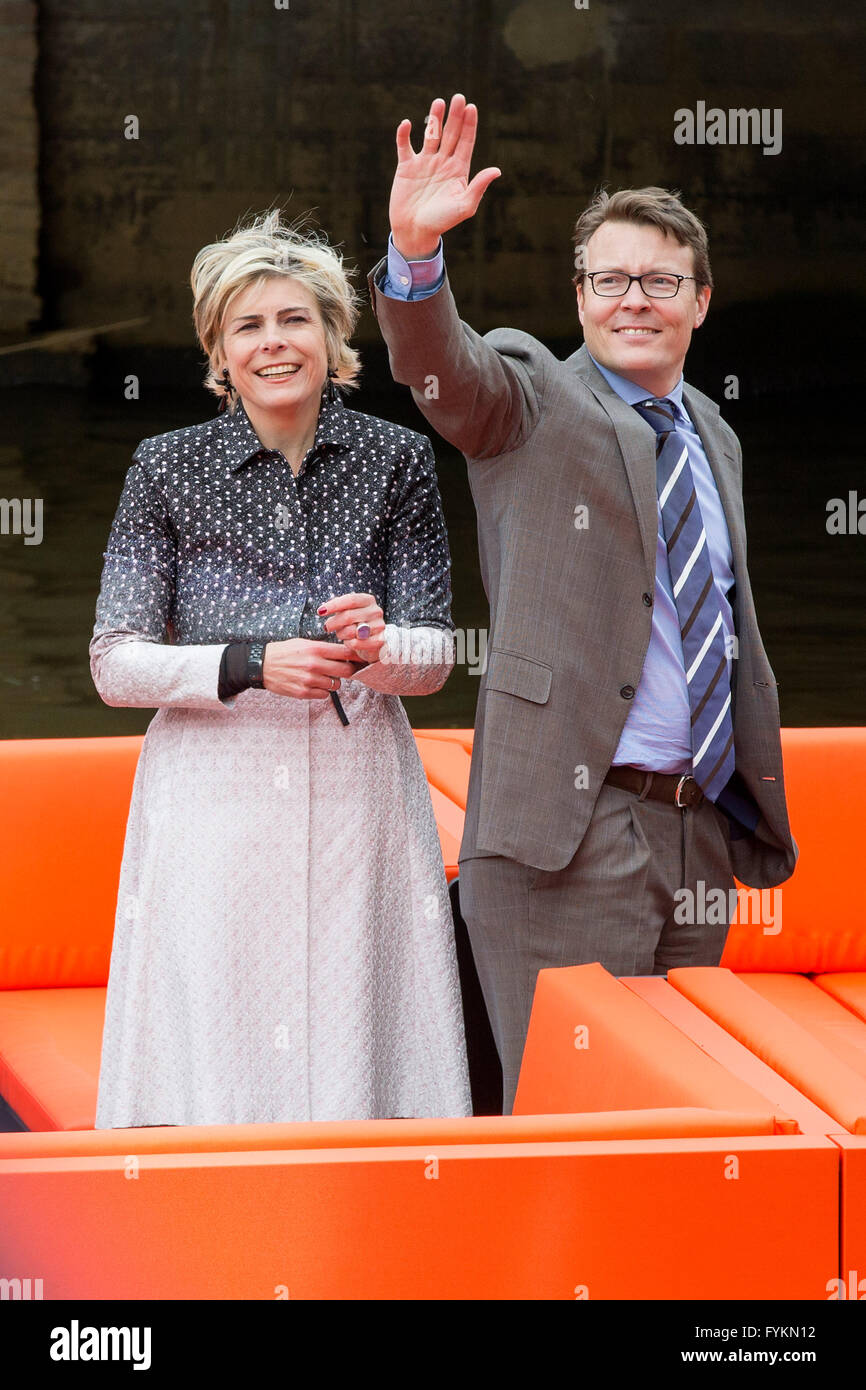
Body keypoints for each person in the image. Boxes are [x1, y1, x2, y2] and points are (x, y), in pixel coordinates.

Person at [367, 93, 798, 1114]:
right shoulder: (533, 400)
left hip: (696, 833)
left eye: (658, 281)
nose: (632, 300)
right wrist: (414, 255)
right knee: (563, 1119)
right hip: (569, 829)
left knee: (675, 1121)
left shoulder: (710, 434)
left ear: (700, 300)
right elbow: (445, 374)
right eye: (609, 280)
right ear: (578, 297)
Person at [90, 209, 472, 1127]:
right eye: (248, 326)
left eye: (294, 319)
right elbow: (115, 663)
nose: (274, 343)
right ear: (218, 350)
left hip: (358, 795)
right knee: (219, 1038)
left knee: (357, 1029)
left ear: (332, 333)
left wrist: (383, 651)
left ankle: (364, 1226)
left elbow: (435, 657)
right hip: (212, 800)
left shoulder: (397, 458)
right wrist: (248, 663)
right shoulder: (165, 467)